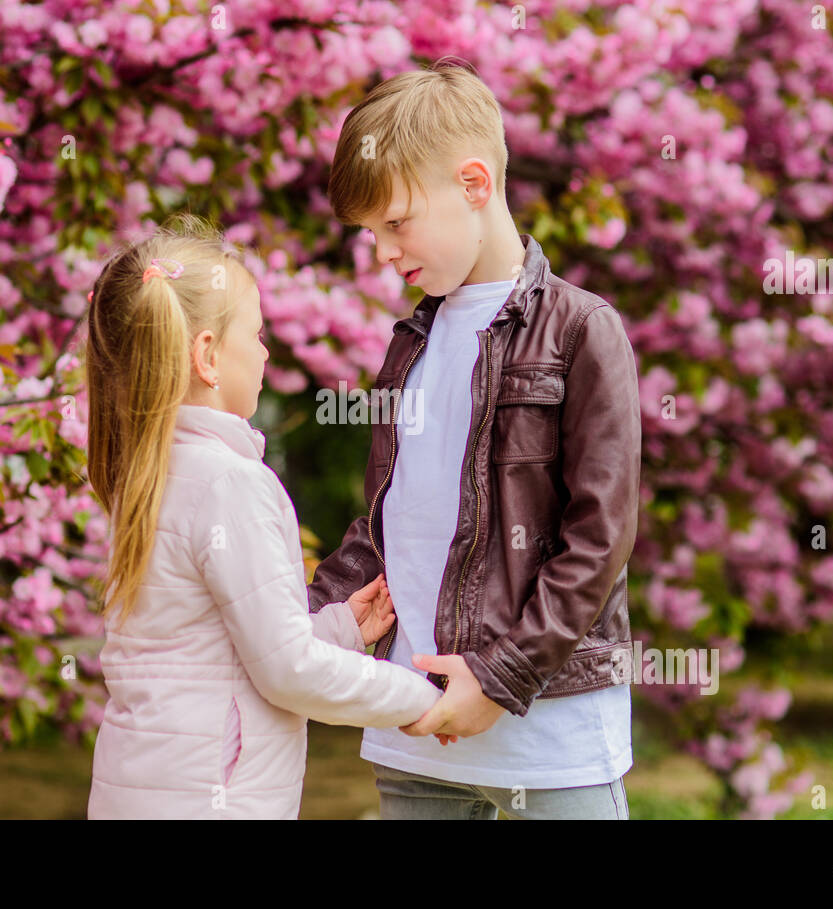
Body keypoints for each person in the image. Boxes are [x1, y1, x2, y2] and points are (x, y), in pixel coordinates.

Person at [309, 61, 642, 819]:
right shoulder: (409, 344)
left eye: (395, 223)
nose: (384, 253)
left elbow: (599, 537)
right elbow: (386, 526)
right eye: (370, 234)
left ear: (473, 183)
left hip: (547, 727)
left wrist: (501, 678)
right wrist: (297, 627)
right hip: (412, 717)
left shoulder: (582, 330)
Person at [84, 214, 441, 819]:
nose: (266, 350)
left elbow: (222, 648)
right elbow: (287, 673)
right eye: (254, 335)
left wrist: (339, 631)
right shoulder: (231, 482)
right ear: (208, 358)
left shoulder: (149, 475)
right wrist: (419, 697)